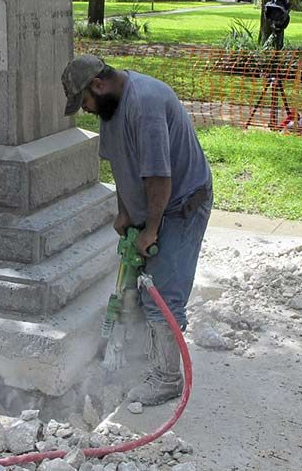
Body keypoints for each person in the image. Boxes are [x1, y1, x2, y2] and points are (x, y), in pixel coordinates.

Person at [61, 54, 213, 406]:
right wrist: (125, 211)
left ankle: (167, 378)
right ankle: (150, 357)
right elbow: (118, 162)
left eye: (84, 102)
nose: (86, 110)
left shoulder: (144, 105)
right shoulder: (110, 109)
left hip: (180, 206)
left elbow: (160, 178)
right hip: (152, 206)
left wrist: (152, 229)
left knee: (162, 296)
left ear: (98, 85)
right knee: (143, 289)